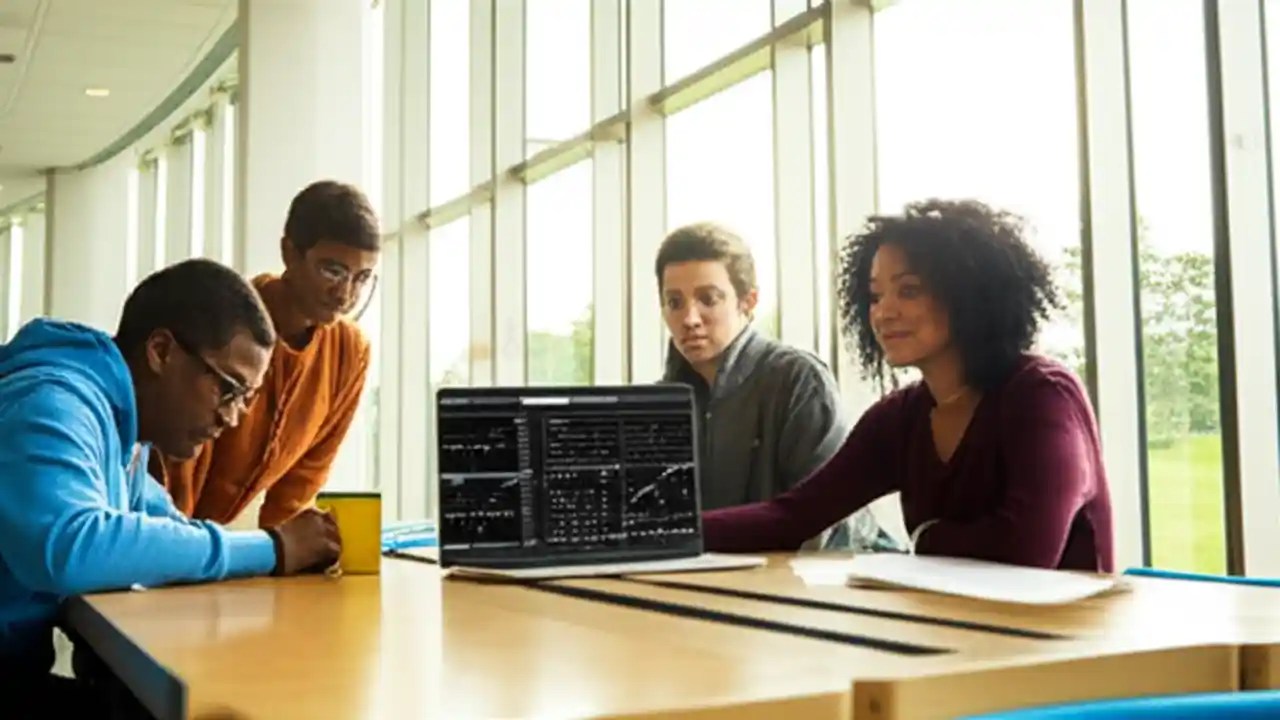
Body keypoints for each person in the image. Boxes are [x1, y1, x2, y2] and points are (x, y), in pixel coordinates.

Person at [0, 259, 341, 712]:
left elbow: (167, 530)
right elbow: (69, 545)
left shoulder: (127, 439)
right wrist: (275, 549)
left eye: (246, 399)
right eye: (228, 389)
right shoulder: (53, 401)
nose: (233, 417)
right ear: (161, 350)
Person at [702, 200, 1114, 572]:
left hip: (1072, 646)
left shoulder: (1042, 395)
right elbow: (792, 517)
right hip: (959, 634)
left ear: (969, 295)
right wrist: (653, 534)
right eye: (876, 296)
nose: (883, 313)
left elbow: (1026, 551)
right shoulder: (900, 418)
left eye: (909, 291)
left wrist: (927, 537)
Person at [156, 180, 380, 528]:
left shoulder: (350, 352)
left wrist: (288, 554)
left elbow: (302, 483)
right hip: (160, 526)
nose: (345, 293)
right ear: (289, 253)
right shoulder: (224, 322)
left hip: (203, 542)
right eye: (332, 270)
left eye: (362, 277)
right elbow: (175, 465)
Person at [657, 222, 891, 550]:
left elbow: (825, 529)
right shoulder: (661, 402)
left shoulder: (798, 379)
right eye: (674, 302)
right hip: (716, 579)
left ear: (748, 301)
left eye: (709, 299)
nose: (690, 318)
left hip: (839, 576)